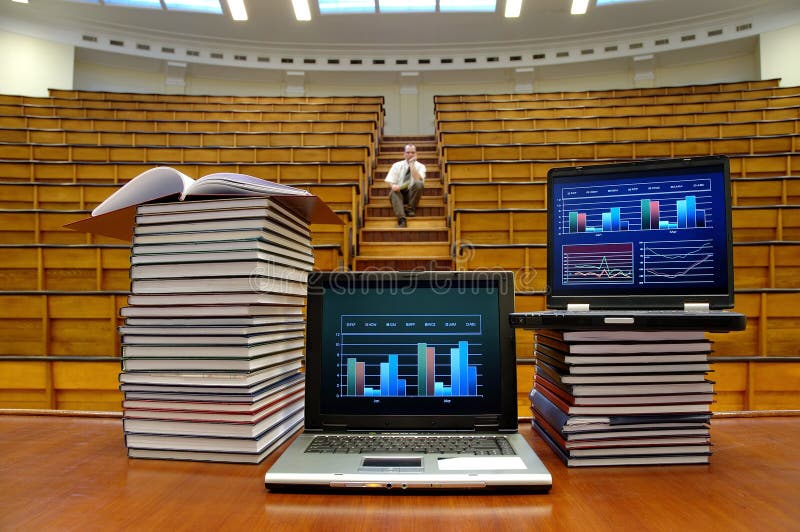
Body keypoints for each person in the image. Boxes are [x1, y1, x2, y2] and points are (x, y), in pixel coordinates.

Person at [384, 144, 426, 227]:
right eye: (408, 152)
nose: (410, 154)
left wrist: (412, 164)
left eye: (413, 152)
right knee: (392, 192)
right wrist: (393, 186)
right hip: (399, 193)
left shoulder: (421, 166)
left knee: (419, 184)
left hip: (412, 194)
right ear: (404, 154)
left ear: (416, 154)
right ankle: (402, 219)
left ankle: (410, 209)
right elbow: (389, 180)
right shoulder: (396, 165)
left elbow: (418, 179)